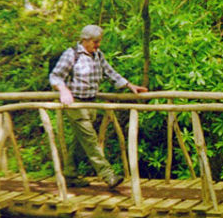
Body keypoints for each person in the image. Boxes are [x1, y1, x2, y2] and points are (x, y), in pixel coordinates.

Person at [49, 24, 148, 188]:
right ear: (85, 40)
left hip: (91, 102)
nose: (98, 45)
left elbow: (110, 72)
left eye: (99, 41)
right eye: (96, 42)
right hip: (75, 104)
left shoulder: (98, 55)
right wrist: (63, 90)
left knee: (81, 141)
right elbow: (55, 76)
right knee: (90, 140)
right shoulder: (71, 54)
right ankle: (108, 175)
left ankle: (70, 174)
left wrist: (129, 85)